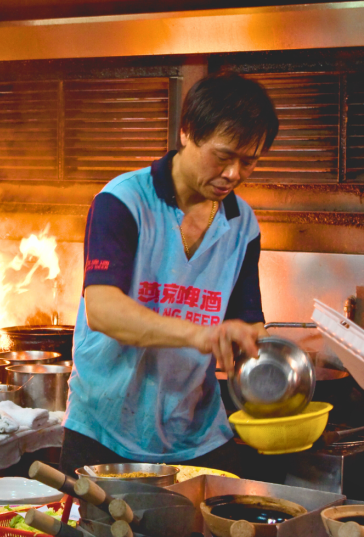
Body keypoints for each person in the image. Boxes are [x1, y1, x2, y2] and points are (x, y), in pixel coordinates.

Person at [60, 72, 280, 476]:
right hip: (102, 433)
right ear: (186, 132)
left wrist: (269, 368)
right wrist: (197, 334)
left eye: (248, 162)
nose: (234, 174)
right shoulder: (123, 201)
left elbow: (250, 322)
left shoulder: (242, 224)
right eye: (223, 156)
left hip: (196, 435)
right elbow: (103, 310)